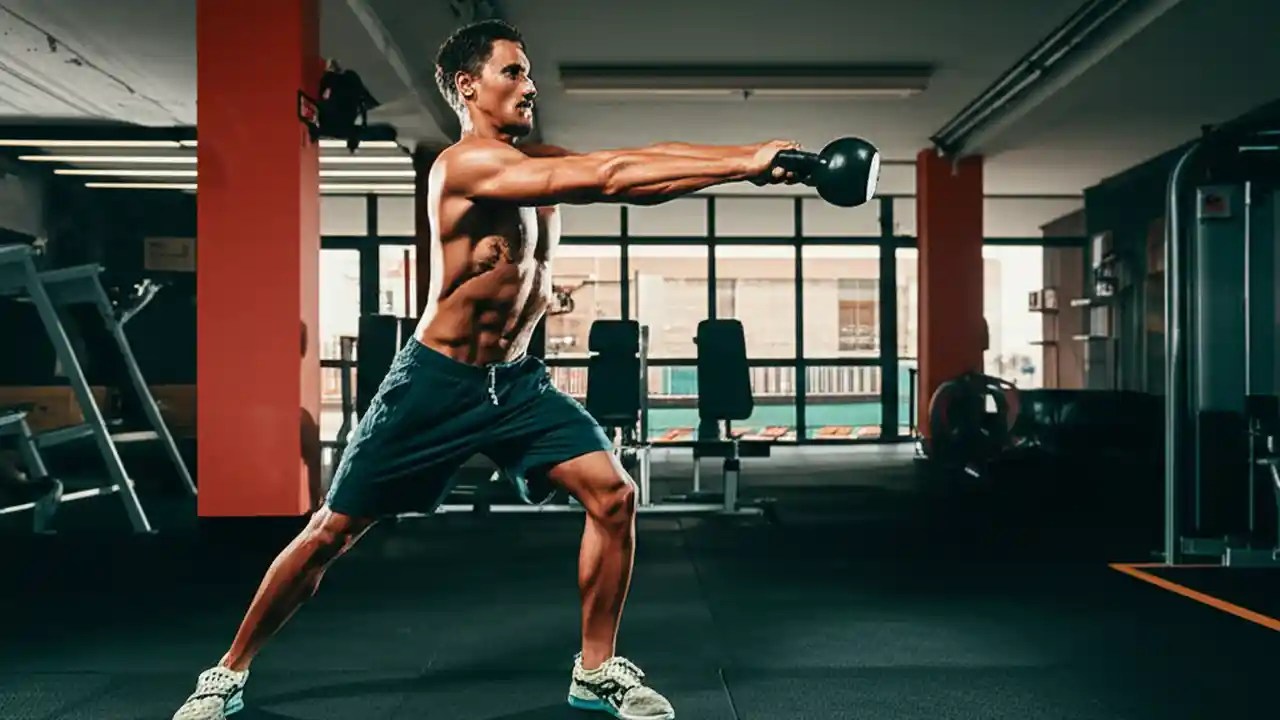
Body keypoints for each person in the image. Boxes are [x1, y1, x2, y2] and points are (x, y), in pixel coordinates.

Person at [172, 18, 800, 720]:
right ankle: (226, 673)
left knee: (614, 495)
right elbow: (609, 177)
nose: (529, 86)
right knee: (331, 532)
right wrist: (744, 158)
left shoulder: (537, 167)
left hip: (517, 382)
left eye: (528, 74)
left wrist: (751, 166)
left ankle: (596, 670)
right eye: (513, 73)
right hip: (437, 381)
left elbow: (636, 169)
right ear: (469, 87)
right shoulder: (464, 167)